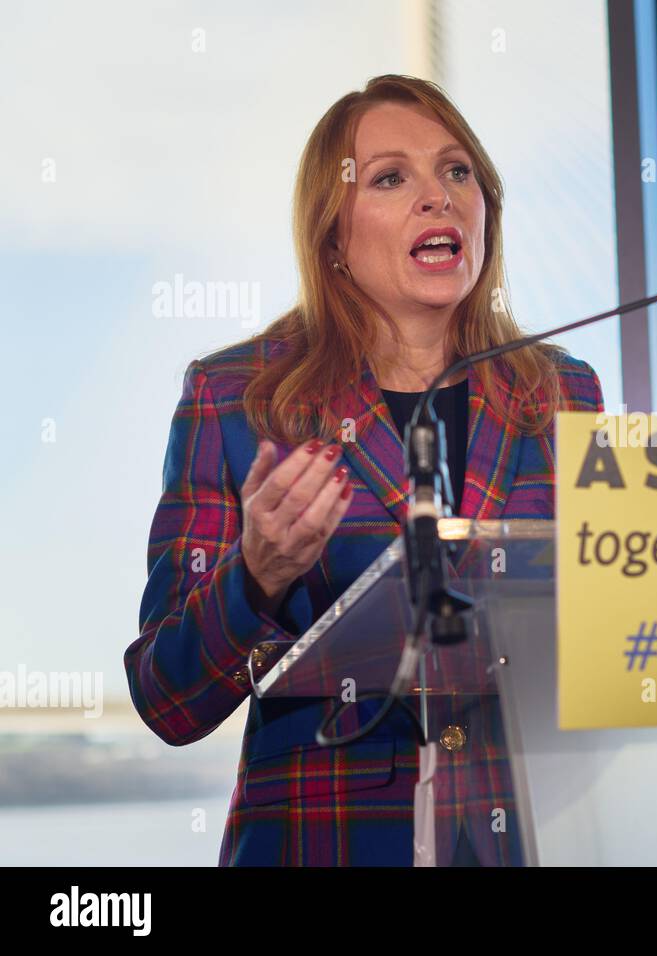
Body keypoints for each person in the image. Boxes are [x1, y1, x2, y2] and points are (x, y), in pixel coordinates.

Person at [125, 74, 603, 866]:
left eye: (458, 172)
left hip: (528, 839)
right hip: (325, 843)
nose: (439, 198)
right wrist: (256, 576)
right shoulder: (238, 399)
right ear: (333, 238)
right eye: (391, 178)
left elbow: (603, 641)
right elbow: (166, 700)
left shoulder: (562, 392)